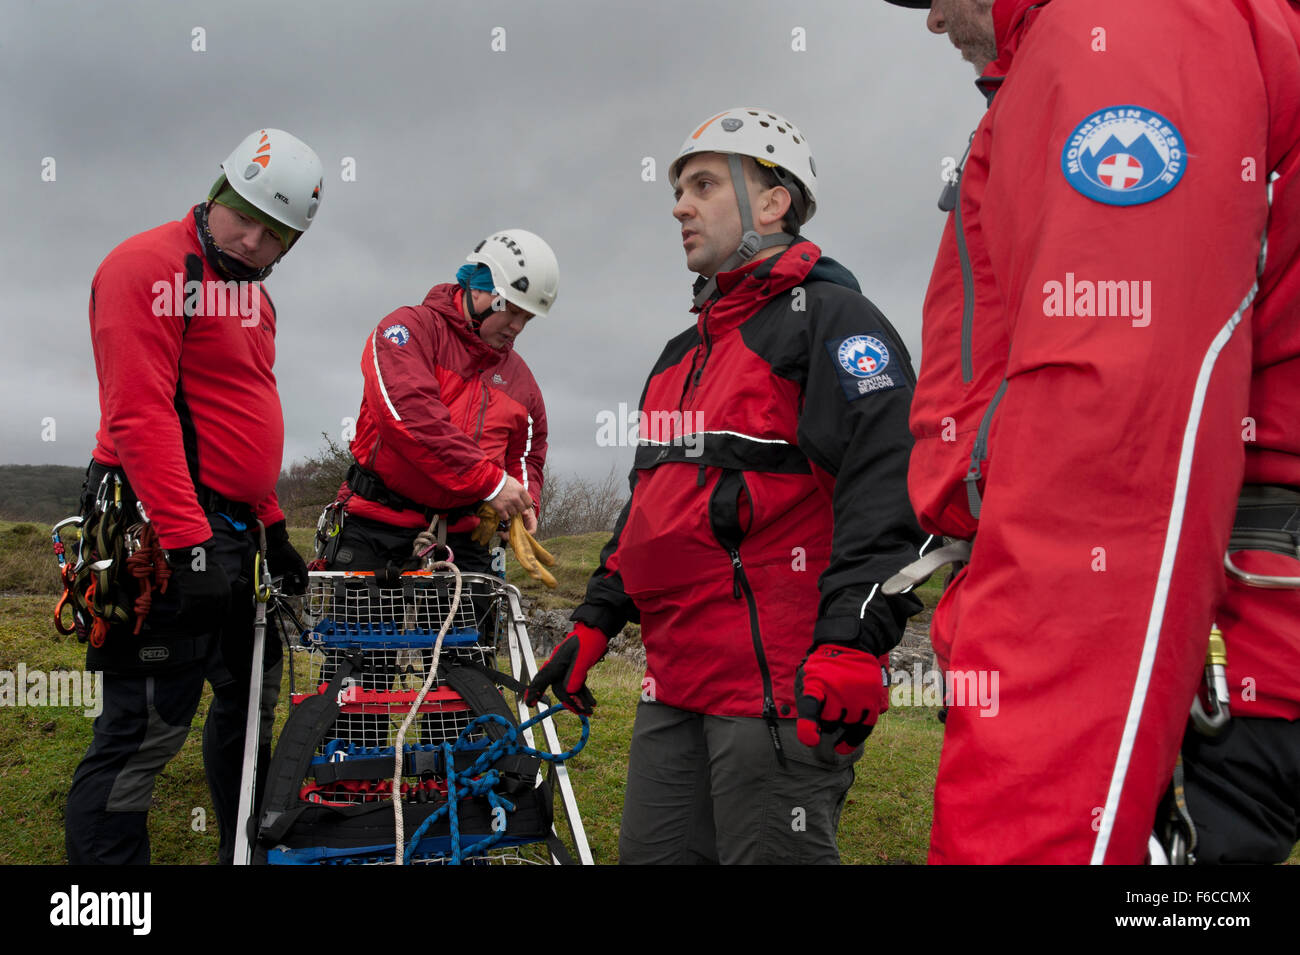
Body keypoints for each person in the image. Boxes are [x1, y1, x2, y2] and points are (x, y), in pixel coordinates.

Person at [884, 0, 1300, 863]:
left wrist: (1034, 823)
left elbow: (1118, 436)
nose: (931, 21)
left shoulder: (1129, 27)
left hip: (1190, 679)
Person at [526, 107, 925, 864]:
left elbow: (896, 478)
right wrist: (594, 618)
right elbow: (650, 508)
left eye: (703, 184)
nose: (678, 204)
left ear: (773, 203)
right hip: (672, 687)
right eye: (678, 188)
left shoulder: (834, 321)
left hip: (774, 693)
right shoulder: (680, 353)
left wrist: (854, 639)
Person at [65, 128, 322, 864]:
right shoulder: (146, 266)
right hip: (156, 527)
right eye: (242, 213)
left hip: (232, 532)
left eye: (274, 234)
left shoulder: (253, 301)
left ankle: (251, 849)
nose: (250, 239)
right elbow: (138, 413)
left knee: (249, 708)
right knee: (144, 729)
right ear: (215, 193)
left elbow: (240, 413)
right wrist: (188, 544)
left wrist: (272, 527)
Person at [322, 230, 555, 594]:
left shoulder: (521, 382)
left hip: (464, 542)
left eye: (528, 319)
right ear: (479, 290)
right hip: (375, 528)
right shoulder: (406, 331)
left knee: (468, 653)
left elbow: (526, 454)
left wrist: (523, 501)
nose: (517, 328)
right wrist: (491, 484)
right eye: (511, 311)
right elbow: (409, 418)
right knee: (358, 650)